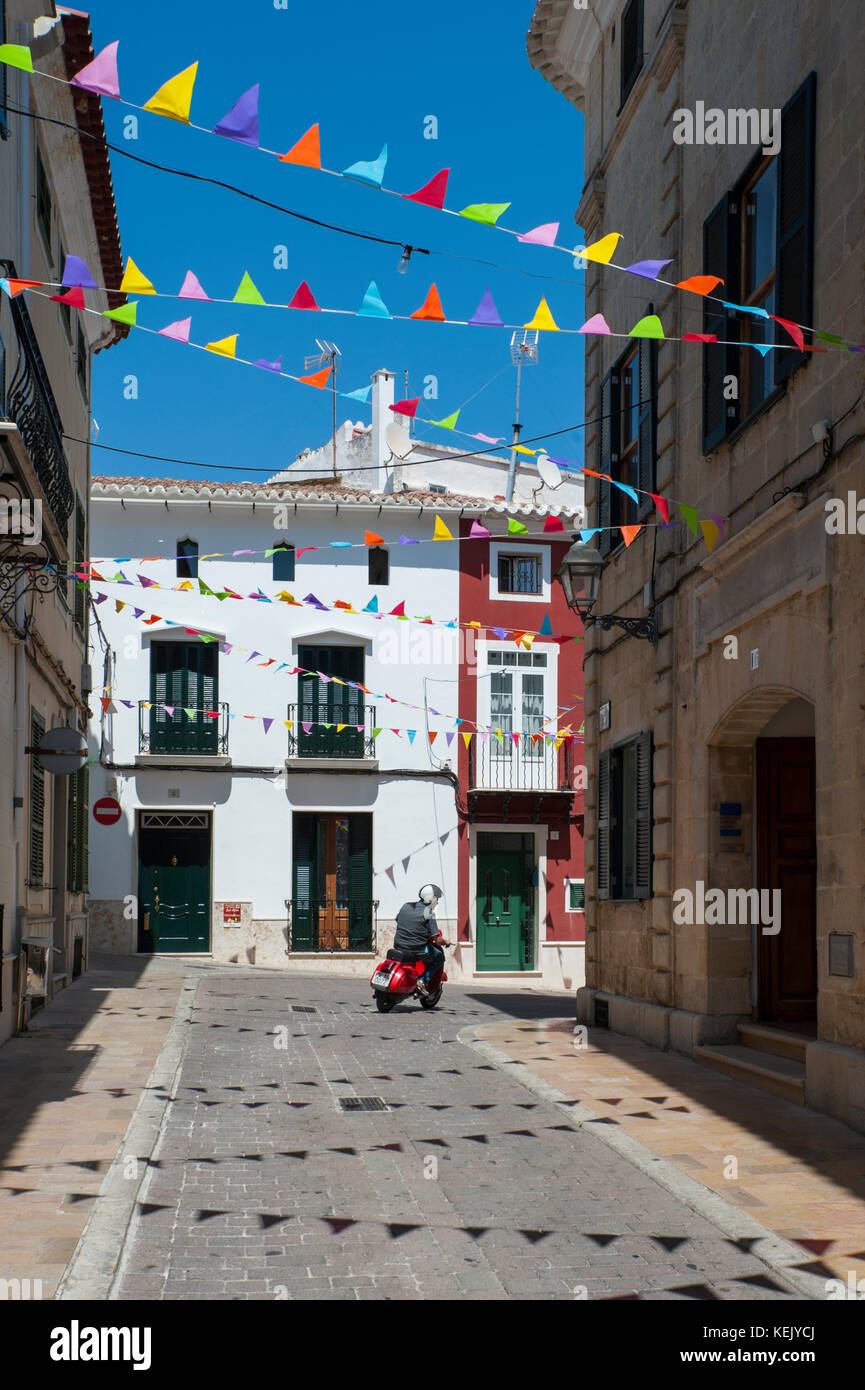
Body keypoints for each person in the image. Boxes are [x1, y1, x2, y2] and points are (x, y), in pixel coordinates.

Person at [393, 884, 450, 996]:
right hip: (417, 949)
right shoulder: (429, 913)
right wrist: (446, 942)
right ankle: (422, 981)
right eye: (436, 899)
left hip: (399, 945)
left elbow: (397, 919)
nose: (437, 902)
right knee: (439, 957)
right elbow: (436, 939)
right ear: (430, 898)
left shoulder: (406, 906)